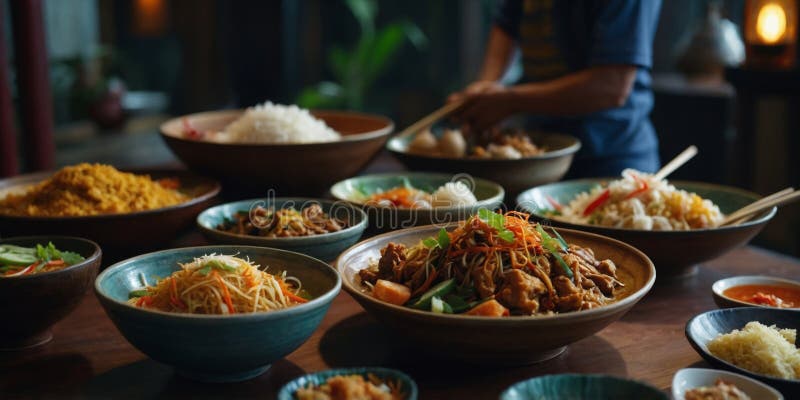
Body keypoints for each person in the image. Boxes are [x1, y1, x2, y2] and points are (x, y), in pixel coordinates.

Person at [449, 0, 662, 177]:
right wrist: (485, 91)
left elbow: (611, 85)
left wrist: (508, 101)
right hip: (538, 152)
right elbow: (507, 24)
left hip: (610, 157)